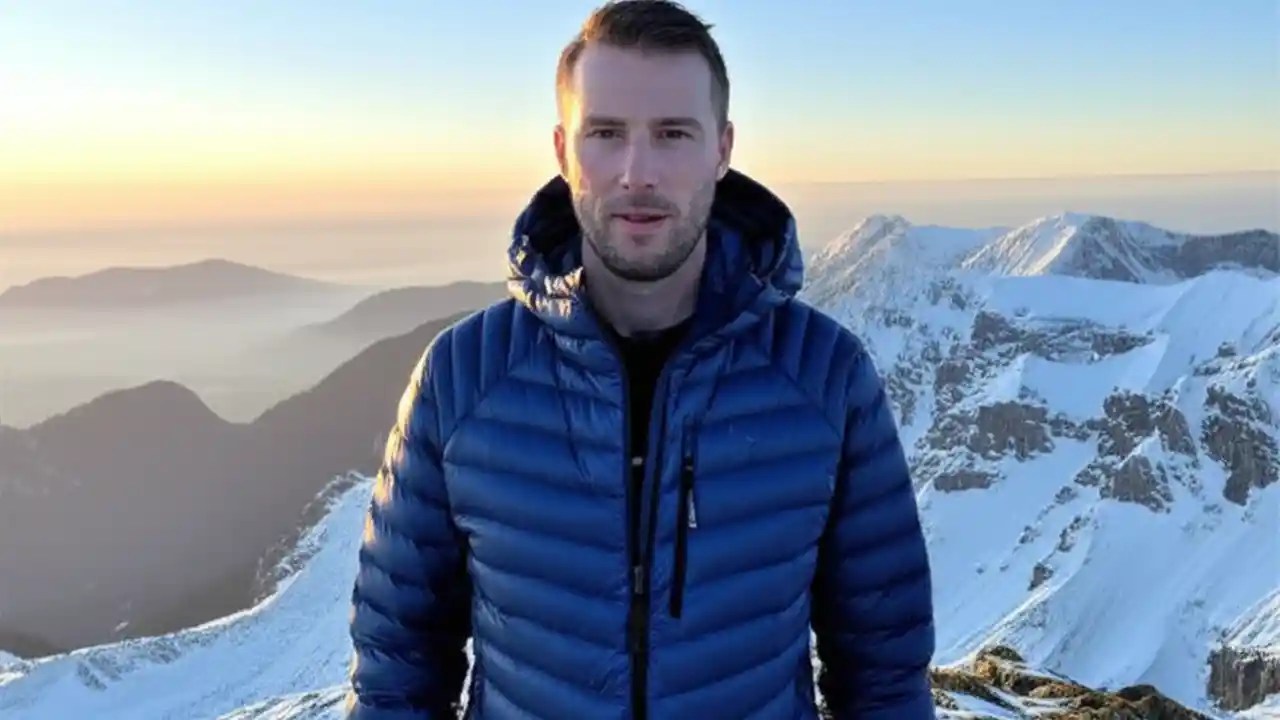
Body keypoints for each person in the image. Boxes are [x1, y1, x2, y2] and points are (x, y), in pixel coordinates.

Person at [343, 1, 936, 718]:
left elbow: (884, 671)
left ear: (722, 149)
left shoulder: (826, 378)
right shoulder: (462, 378)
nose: (637, 172)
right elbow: (397, 664)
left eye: (672, 134)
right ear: (562, 151)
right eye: (606, 133)